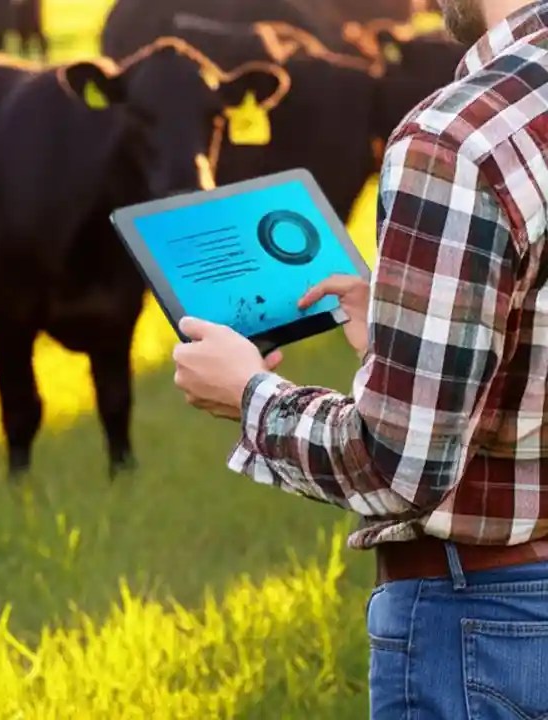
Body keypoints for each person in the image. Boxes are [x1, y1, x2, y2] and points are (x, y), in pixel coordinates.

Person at [173, 0, 548, 717]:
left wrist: (249, 397)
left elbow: (398, 465)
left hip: (488, 631)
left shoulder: (459, 138)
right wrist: (413, 331)